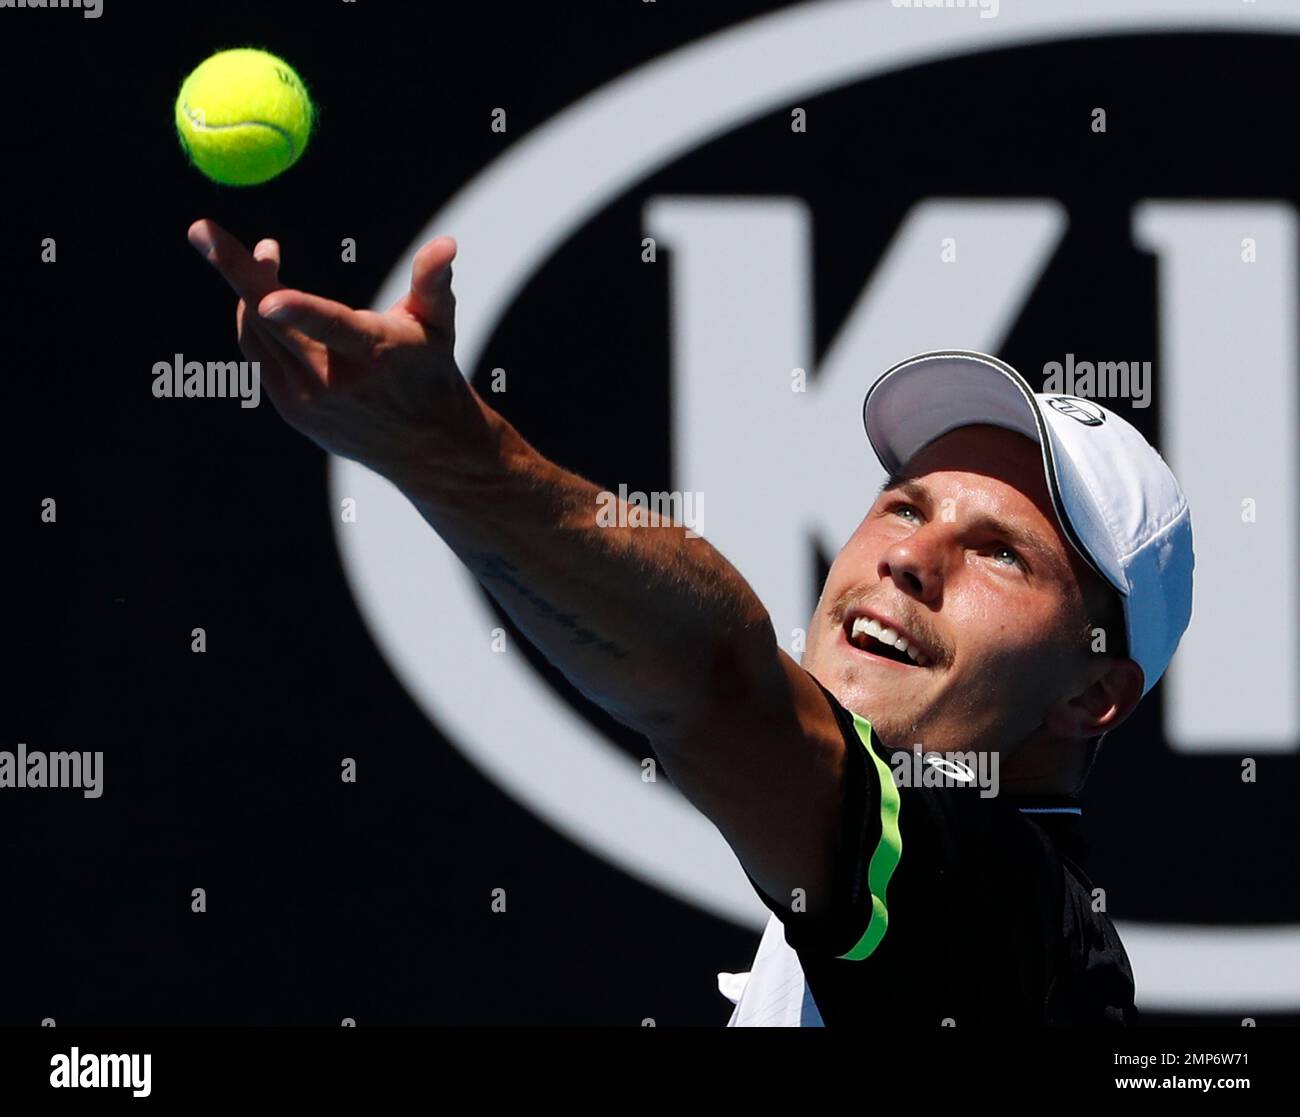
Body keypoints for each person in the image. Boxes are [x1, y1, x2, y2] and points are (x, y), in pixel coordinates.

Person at [187, 219, 1194, 1026]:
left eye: (999, 552)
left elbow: (718, 684)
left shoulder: (1015, 922)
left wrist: (454, 452)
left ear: (1091, 690)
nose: (907, 558)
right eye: (904, 504)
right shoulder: (855, 904)